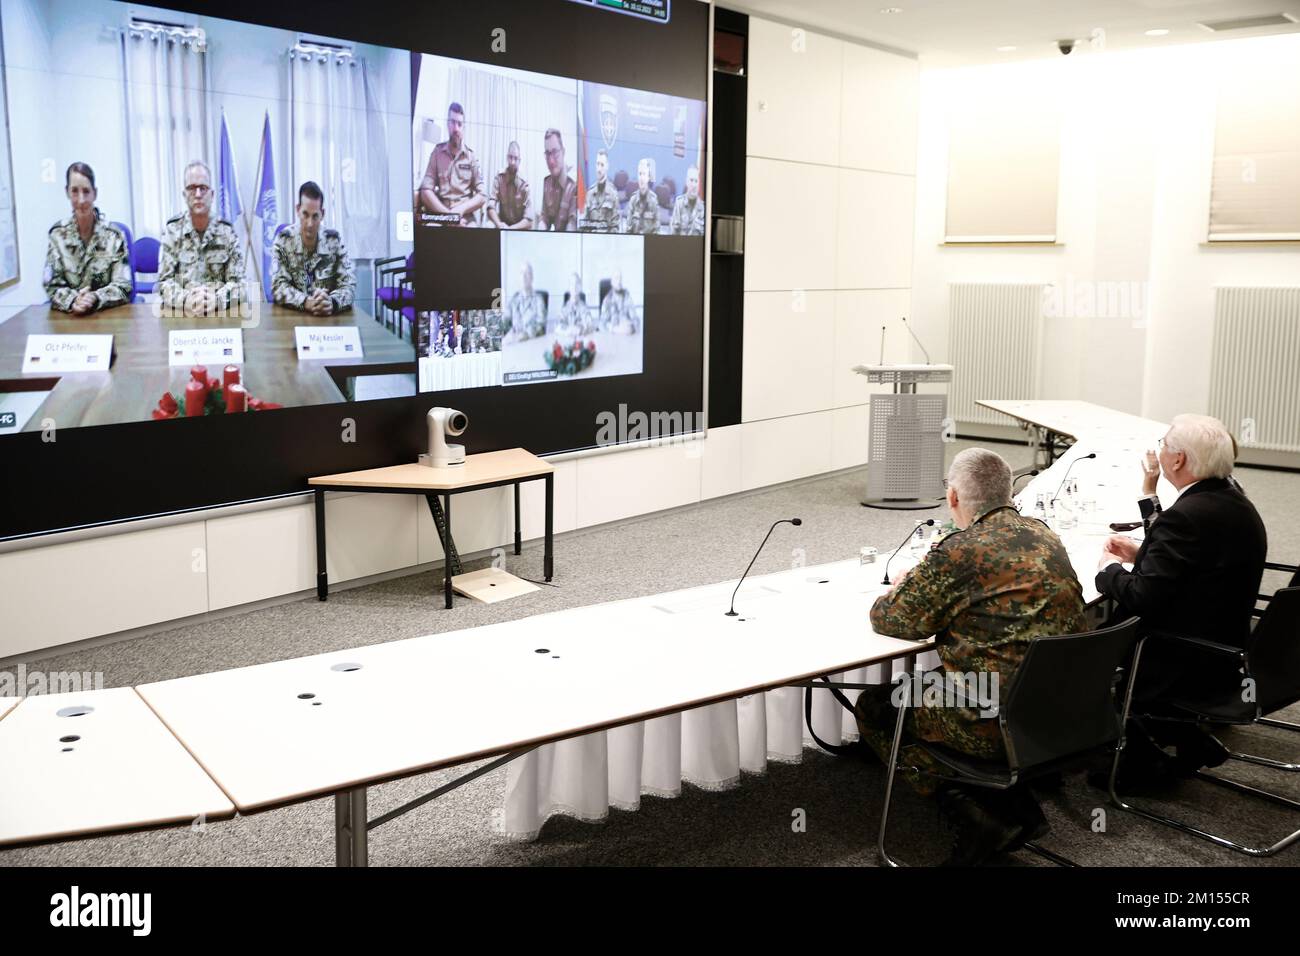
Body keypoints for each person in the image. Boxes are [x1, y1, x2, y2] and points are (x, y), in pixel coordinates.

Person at [855, 448, 1087, 865]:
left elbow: (892, 620)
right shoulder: (1045, 534)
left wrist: (903, 587)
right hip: (1063, 709)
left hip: (994, 715)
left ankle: (974, 810)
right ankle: (1011, 804)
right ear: (1008, 493)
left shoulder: (959, 550)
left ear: (954, 498)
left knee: (878, 705)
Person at [1095, 414, 1266, 780]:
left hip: (1180, 658)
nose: (1161, 452)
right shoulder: (1235, 503)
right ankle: (1180, 733)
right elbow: (1197, 566)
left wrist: (1107, 570)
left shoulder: (1186, 517)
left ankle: (1141, 756)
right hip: (1225, 645)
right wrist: (1141, 554)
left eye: (1165, 446)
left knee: (1093, 636)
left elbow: (1142, 596)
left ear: (1178, 460)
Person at [157, 160, 246, 316]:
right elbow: (163, 283)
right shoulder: (172, 231)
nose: (198, 194)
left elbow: (241, 285)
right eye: (192, 188)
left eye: (203, 188)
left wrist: (217, 300)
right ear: (184, 195)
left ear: (211, 195)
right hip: (183, 316)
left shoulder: (227, 232)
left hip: (220, 316)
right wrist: (187, 300)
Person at [43, 162, 133, 315]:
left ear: (95, 193)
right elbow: (51, 285)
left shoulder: (114, 236)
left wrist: (95, 297)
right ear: (67, 192)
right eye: (74, 191)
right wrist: (73, 300)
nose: (81, 200)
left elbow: (124, 286)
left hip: (105, 318)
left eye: (86, 191)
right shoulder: (57, 235)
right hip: (70, 320)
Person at [271, 181, 355, 315]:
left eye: (315, 216)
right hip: (293, 318)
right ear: (297, 210)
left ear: (322, 213)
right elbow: (277, 286)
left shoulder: (334, 241)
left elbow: (349, 284)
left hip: (328, 319)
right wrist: (305, 302)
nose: (310, 223)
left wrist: (332, 303)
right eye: (305, 214)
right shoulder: (283, 240)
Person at [418, 102, 485, 226]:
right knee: (430, 229)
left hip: (465, 217)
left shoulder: (472, 157)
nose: (456, 128)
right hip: (441, 214)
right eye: (453, 122)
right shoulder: (437, 153)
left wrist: (461, 210)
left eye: (459, 124)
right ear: (448, 124)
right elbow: (426, 190)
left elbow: (482, 195)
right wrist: (449, 216)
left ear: (463, 127)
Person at [535, 129, 577, 231]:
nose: (551, 160)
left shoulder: (574, 185)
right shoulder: (547, 182)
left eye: (555, 152)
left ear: (563, 152)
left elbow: (573, 227)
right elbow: (544, 217)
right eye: (548, 154)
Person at [486, 141, 532, 230]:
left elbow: (529, 219)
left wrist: (511, 228)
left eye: (516, 158)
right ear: (507, 158)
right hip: (502, 223)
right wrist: (499, 224)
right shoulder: (499, 178)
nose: (513, 162)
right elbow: (490, 206)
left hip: (518, 226)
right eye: (510, 157)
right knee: (488, 225)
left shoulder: (524, 184)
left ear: (520, 160)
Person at [504, 262, 546, 341]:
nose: (524, 276)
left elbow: (540, 325)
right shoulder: (514, 299)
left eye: (527, 273)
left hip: (531, 341)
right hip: (514, 339)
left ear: (532, 278)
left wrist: (526, 334)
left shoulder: (538, 300)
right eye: (521, 273)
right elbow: (505, 319)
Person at [582, 149, 619, 233]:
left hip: (607, 242)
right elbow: (585, 224)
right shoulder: (590, 193)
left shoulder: (613, 194)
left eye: (602, 165)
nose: (599, 169)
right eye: (597, 164)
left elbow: (615, 227)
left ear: (607, 166)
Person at [623, 158, 660, 235]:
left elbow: (656, 230)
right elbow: (628, 229)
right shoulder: (633, 200)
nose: (641, 178)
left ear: (648, 177)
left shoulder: (653, 200)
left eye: (644, 174)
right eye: (640, 174)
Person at [669, 165, 705, 236]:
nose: (694, 185)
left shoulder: (704, 208)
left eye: (696, 181)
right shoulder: (679, 203)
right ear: (687, 182)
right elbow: (673, 232)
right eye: (691, 180)